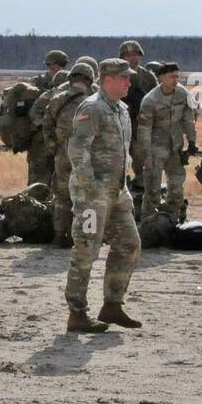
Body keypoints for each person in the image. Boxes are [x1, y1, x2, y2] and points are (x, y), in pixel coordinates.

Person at [64, 59, 143, 333]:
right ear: (108, 79)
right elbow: (78, 151)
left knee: (130, 244)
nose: (128, 83)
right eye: (124, 78)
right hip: (92, 196)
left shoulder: (121, 109)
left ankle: (112, 305)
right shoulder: (92, 107)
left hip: (118, 193)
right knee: (86, 250)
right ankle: (77, 313)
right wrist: (90, 188)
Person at [135, 61, 199, 218]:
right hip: (156, 148)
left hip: (175, 147)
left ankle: (174, 219)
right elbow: (144, 130)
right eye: (172, 77)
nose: (175, 80)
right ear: (161, 78)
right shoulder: (150, 100)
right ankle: (149, 222)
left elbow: (188, 119)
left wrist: (191, 142)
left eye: (177, 76)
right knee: (152, 189)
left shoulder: (183, 94)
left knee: (176, 187)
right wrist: (147, 156)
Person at [46, 61, 97, 247]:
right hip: (86, 155)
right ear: (89, 80)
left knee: (62, 195)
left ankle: (60, 235)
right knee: (87, 196)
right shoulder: (94, 101)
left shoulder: (56, 99)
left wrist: (54, 148)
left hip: (62, 153)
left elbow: (47, 126)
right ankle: (86, 236)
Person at [118, 40, 158, 207]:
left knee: (142, 156)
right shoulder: (114, 75)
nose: (132, 58)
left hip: (140, 124)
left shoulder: (147, 77)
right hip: (119, 123)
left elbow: (157, 98)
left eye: (135, 55)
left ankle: (142, 186)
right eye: (128, 55)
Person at [28, 68, 70, 187]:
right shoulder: (59, 96)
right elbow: (34, 114)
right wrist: (50, 125)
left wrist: (45, 125)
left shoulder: (46, 95)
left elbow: (33, 114)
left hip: (42, 141)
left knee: (39, 178)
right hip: (49, 142)